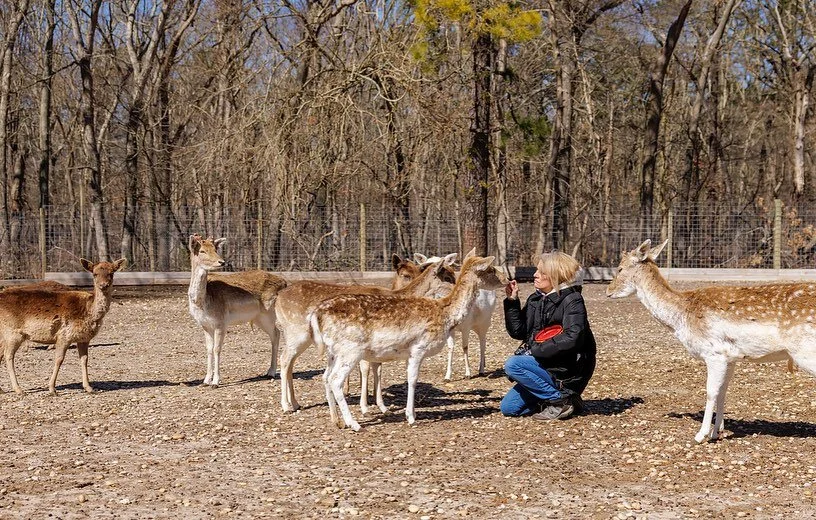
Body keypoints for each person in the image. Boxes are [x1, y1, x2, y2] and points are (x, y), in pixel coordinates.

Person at [500, 251, 596, 420]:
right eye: (537, 270)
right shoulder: (536, 299)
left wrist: (535, 350)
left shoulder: (572, 300)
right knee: (509, 408)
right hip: (544, 366)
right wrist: (512, 302)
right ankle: (569, 401)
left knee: (513, 364)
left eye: (542, 273)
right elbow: (519, 332)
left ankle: (560, 401)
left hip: (566, 370)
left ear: (556, 276)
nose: (535, 275)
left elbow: (573, 337)